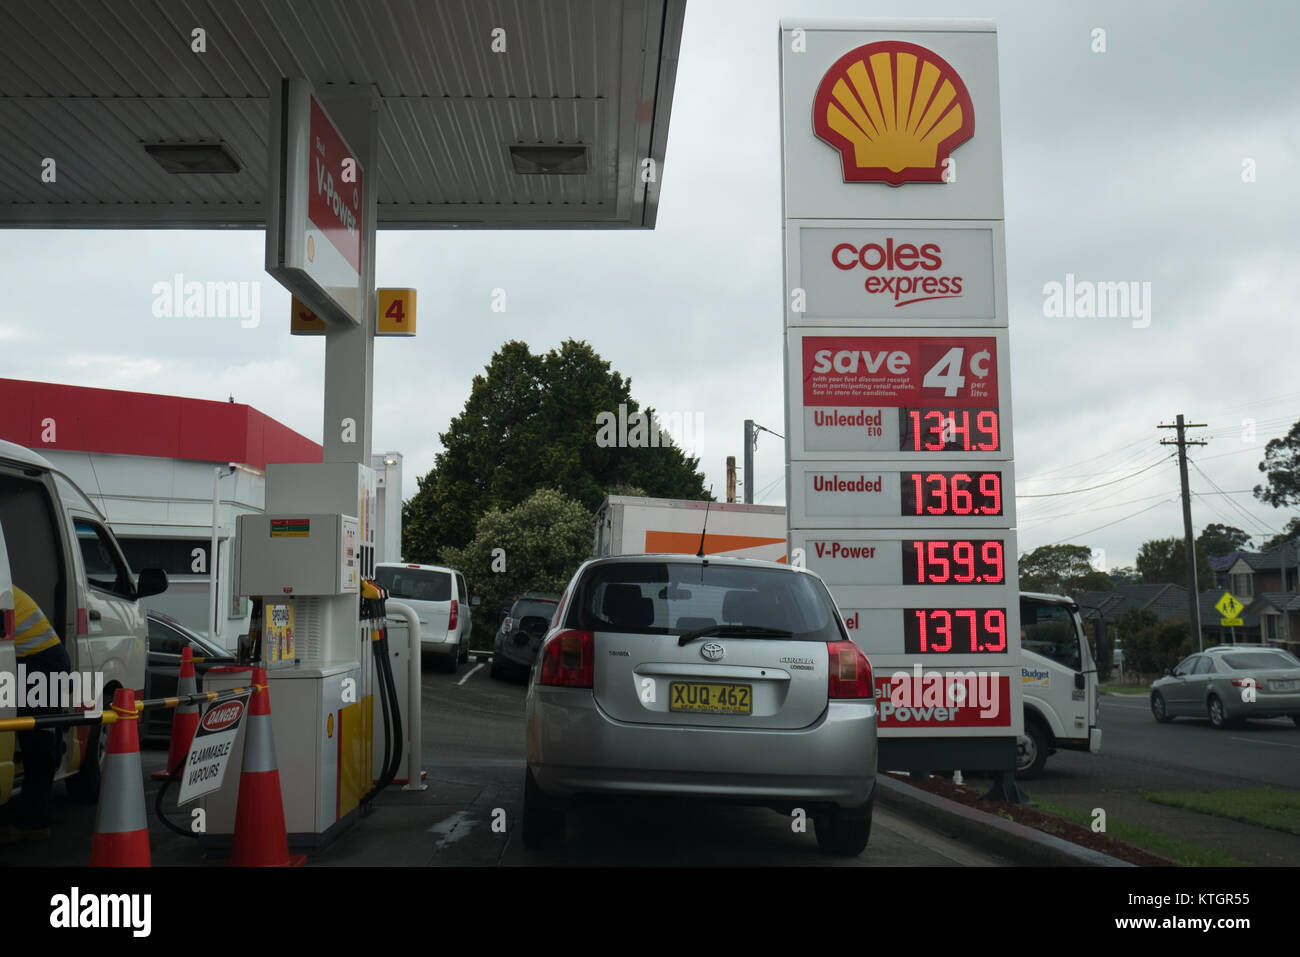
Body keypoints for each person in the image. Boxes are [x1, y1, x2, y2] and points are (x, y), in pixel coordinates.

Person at [0, 585, 72, 842]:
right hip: (39, 662)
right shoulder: (5, 587)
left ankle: (33, 823)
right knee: (37, 742)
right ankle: (32, 818)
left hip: (42, 665)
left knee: (39, 746)